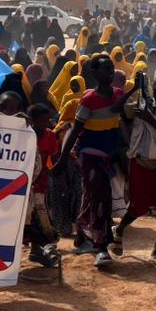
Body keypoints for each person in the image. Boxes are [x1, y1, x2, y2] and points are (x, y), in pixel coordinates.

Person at [55, 54, 133, 268]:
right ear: (94, 73)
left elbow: (120, 120)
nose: (108, 73)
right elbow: (75, 131)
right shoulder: (88, 99)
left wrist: (125, 149)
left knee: (92, 195)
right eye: (104, 69)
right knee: (102, 197)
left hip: (108, 153)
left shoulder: (118, 94)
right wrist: (62, 160)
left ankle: (82, 235)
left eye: (111, 69)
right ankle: (101, 245)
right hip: (89, 153)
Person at [112, 75, 156, 266]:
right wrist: (134, 89)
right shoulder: (141, 106)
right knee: (138, 207)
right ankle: (119, 229)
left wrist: (150, 119)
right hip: (140, 162)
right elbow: (117, 109)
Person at [23, 103, 62, 269]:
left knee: (40, 218)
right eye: (41, 121)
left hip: (41, 183)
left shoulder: (50, 136)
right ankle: (35, 250)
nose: (45, 124)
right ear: (31, 121)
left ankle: (36, 250)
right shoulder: (24, 136)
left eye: (47, 120)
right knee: (25, 219)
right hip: (23, 184)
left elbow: (52, 160)